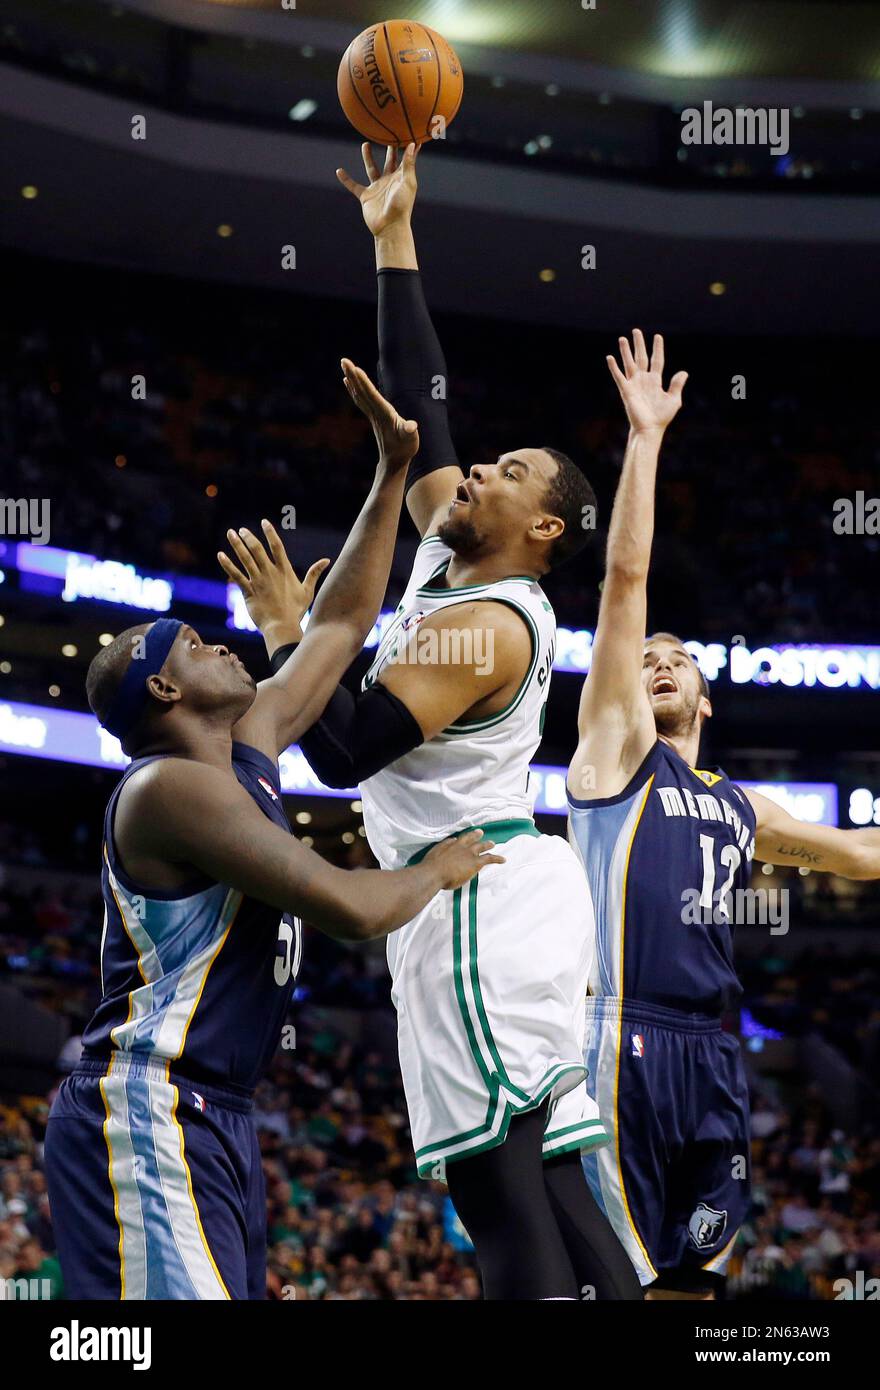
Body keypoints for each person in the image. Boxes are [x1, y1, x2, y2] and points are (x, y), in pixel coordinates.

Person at [228, 143, 642, 1301]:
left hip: (474, 897)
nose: (475, 474)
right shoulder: (448, 562)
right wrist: (391, 233)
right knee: (554, 1188)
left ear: (544, 528)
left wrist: (286, 632)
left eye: (505, 472)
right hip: (500, 891)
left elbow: (347, 741)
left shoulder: (493, 624)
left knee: (496, 1200)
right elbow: (421, 401)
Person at [43, 360, 501, 1301]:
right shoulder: (167, 788)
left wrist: (390, 467)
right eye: (195, 645)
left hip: (219, 1112)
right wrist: (442, 866)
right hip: (147, 1103)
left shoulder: (241, 747)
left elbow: (339, 629)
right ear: (165, 692)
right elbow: (343, 904)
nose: (223, 642)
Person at [567, 328, 880, 1298]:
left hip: (714, 1050)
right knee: (620, 1283)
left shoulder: (740, 804)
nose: (655, 659)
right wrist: (646, 440)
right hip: (619, 1036)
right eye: (644, 655)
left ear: (706, 698)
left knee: (697, 1283)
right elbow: (624, 584)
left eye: (677, 657)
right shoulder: (617, 749)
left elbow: (858, 854)